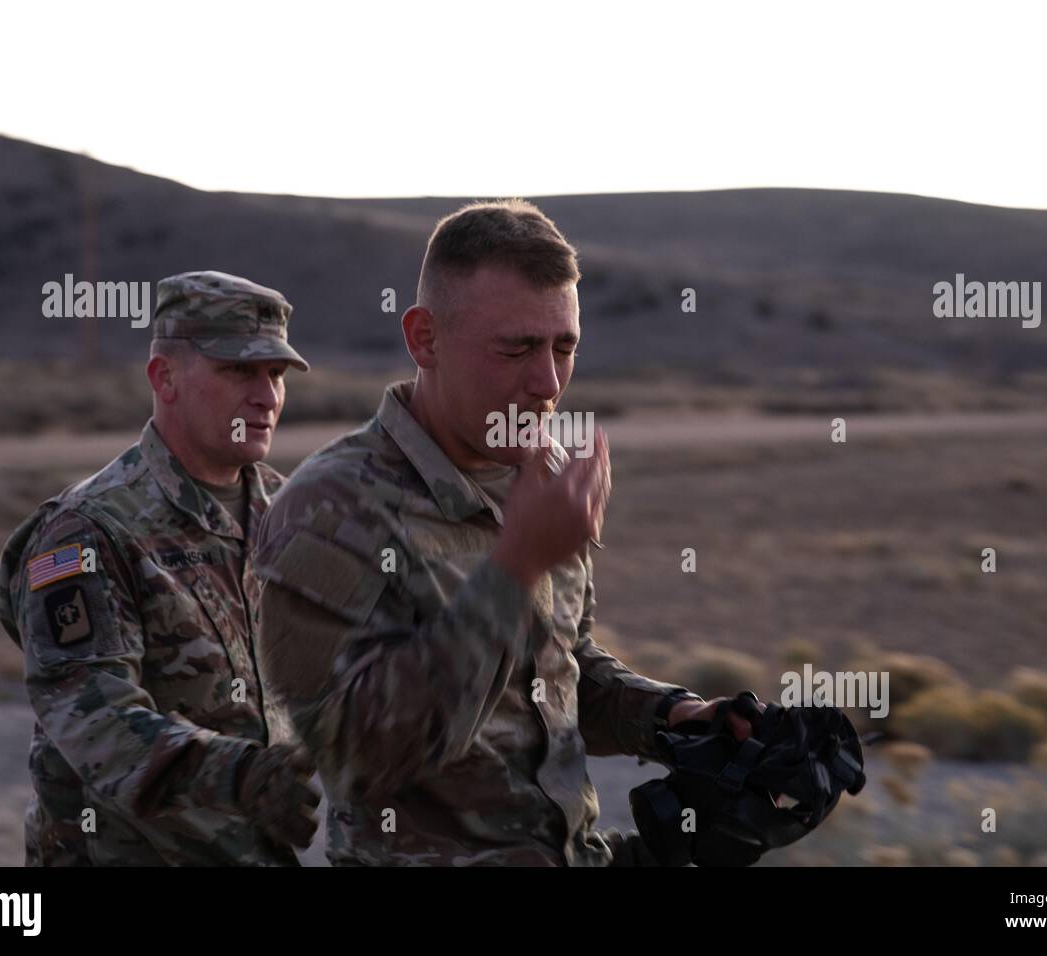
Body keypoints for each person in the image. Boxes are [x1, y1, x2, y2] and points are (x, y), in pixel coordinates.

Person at [254, 201, 752, 866]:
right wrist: (516, 566)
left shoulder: (535, 480)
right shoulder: (326, 508)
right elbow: (353, 753)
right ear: (424, 338)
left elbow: (558, 673)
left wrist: (675, 720)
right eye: (516, 348)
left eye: (564, 348)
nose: (547, 383)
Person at [0, 270, 321, 865]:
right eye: (238, 370)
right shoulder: (88, 531)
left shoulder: (287, 513)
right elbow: (96, 716)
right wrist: (239, 775)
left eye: (275, 374)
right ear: (163, 378)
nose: (266, 396)